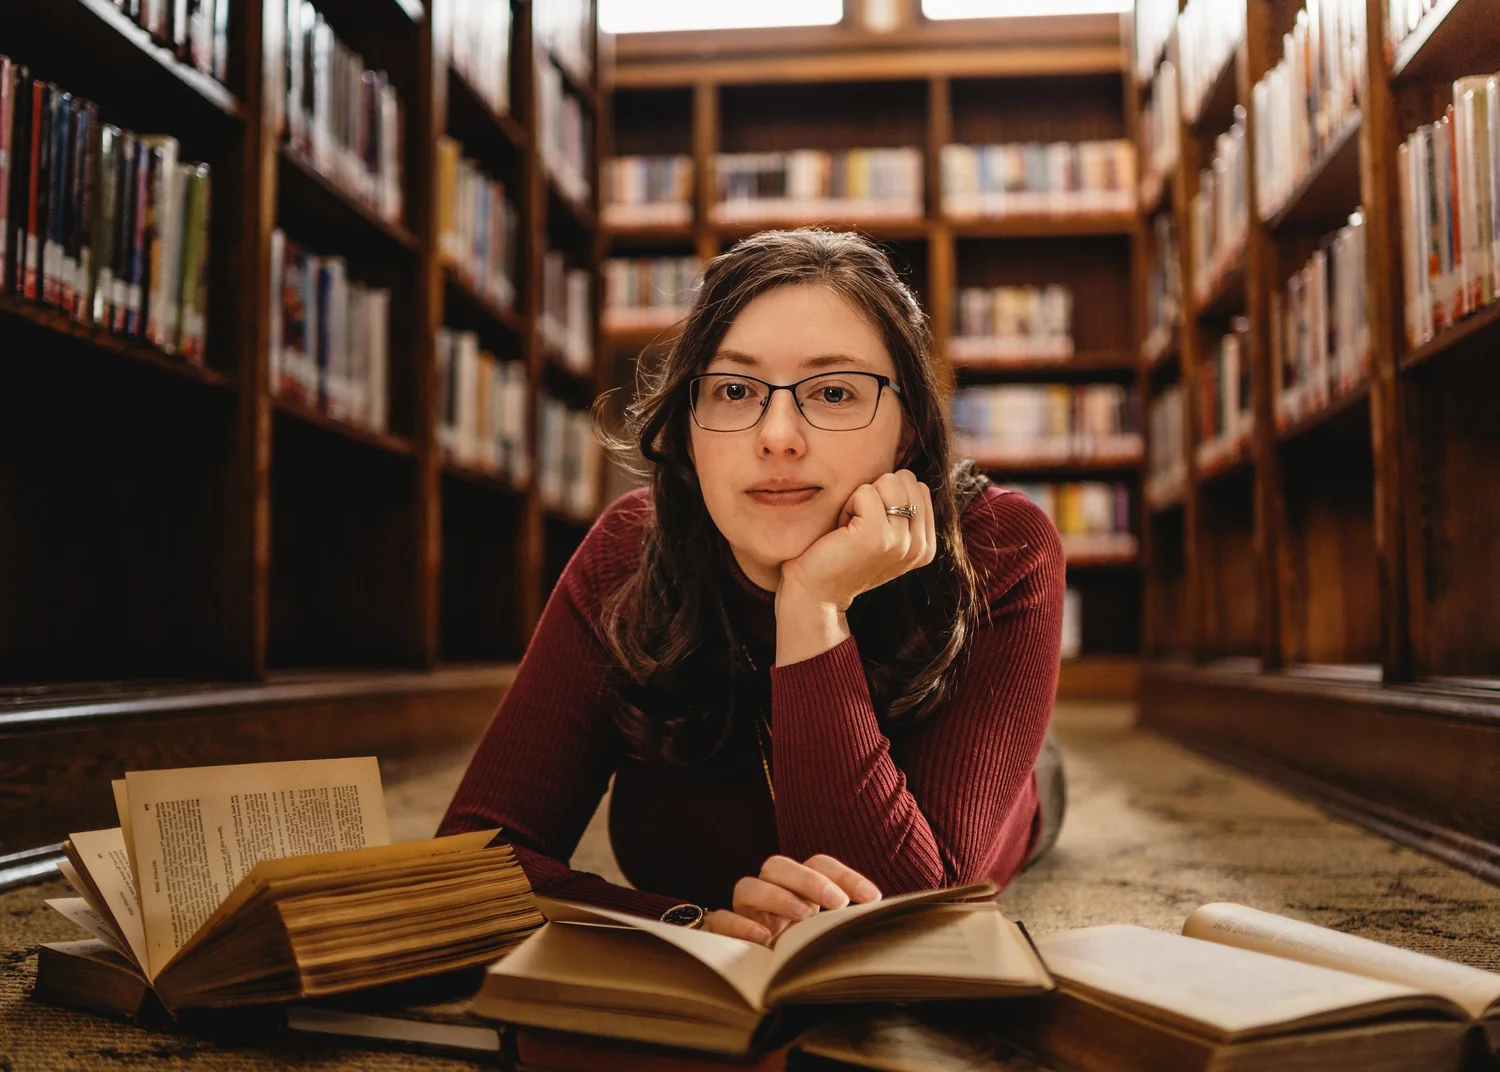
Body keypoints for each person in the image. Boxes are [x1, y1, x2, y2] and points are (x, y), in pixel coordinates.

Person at [438, 229, 1066, 946]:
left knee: (1027, 780)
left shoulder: (1001, 547)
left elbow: (903, 923)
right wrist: (688, 925)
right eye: (735, 391)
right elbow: (470, 864)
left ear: (909, 431)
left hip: (1001, 776)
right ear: (689, 426)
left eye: (834, 392)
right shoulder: (626, 553)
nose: (777, 436)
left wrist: (813, 608)